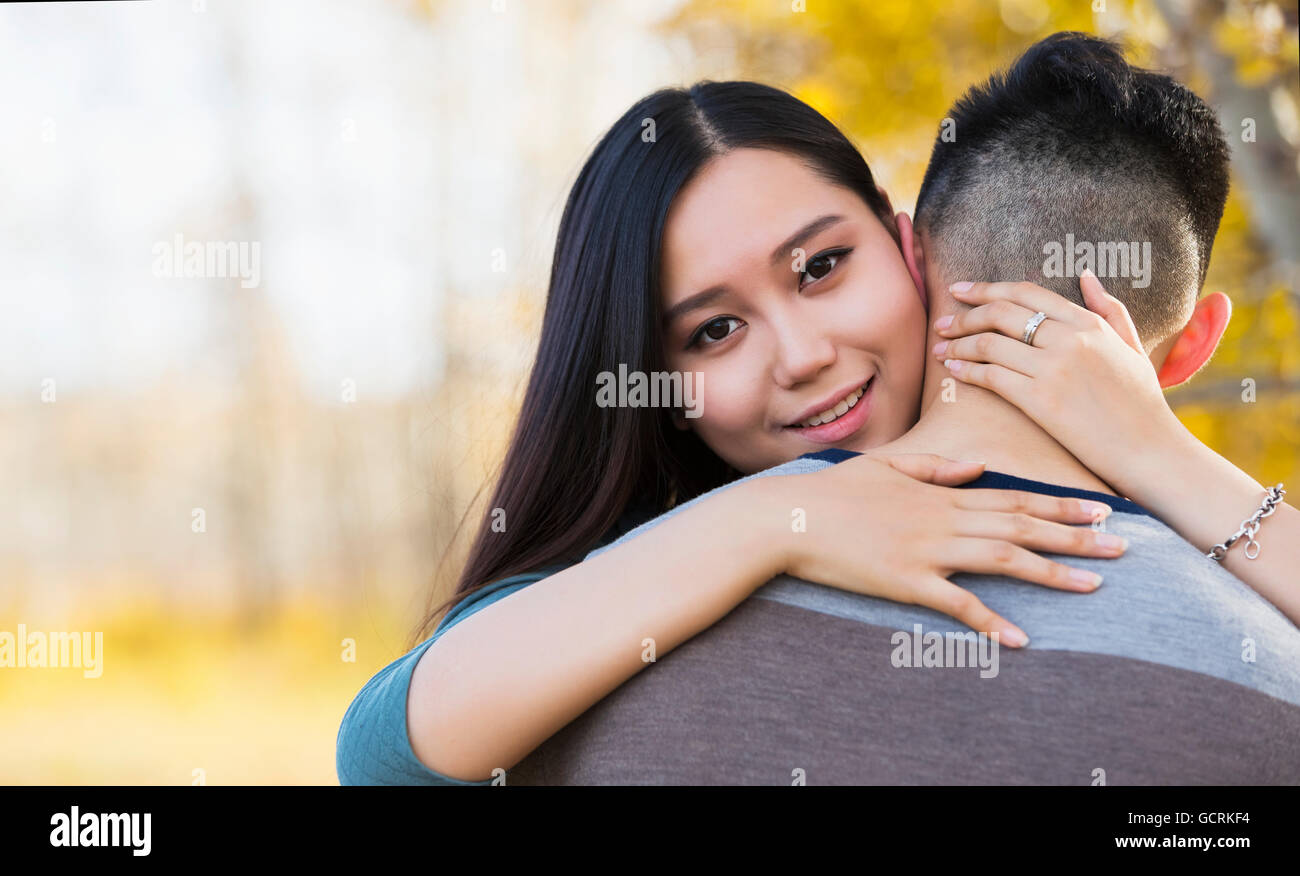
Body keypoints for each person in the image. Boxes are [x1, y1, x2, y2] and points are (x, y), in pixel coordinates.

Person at [335, 36, 1298, 786]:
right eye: (712, 332)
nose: (803, 357)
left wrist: (1162, 457)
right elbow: (382, 749)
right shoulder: (619, 606)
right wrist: (775, 520)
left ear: (910, 248)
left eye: (822, 268)